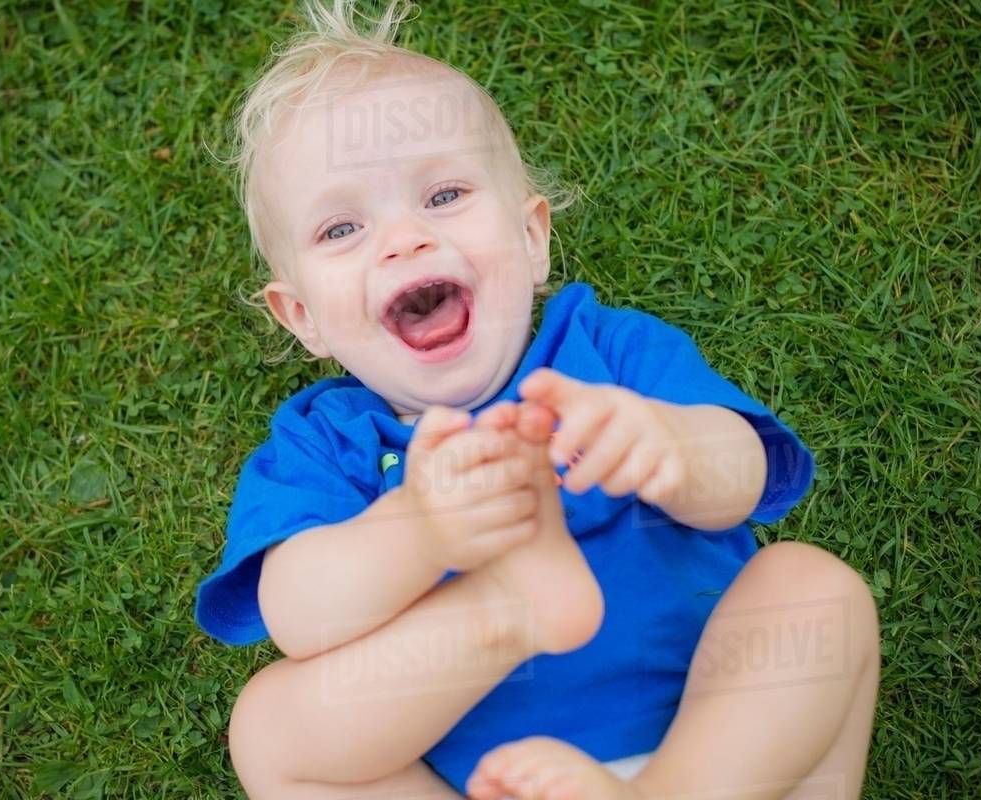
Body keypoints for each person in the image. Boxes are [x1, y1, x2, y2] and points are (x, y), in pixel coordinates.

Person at [195, 2, 880, 797]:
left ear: (532, 238)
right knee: (269, 726)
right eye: (341, 230)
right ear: (302, 316)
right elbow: (299, 615)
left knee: (813, 588)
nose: (404, 239)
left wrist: (672, 446)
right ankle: (510, 610)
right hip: (501, 783)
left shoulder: (607, 353)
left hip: (721, 761)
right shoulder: (327, 445)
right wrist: (419, 529)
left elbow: (747, 478)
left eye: (443, 195)